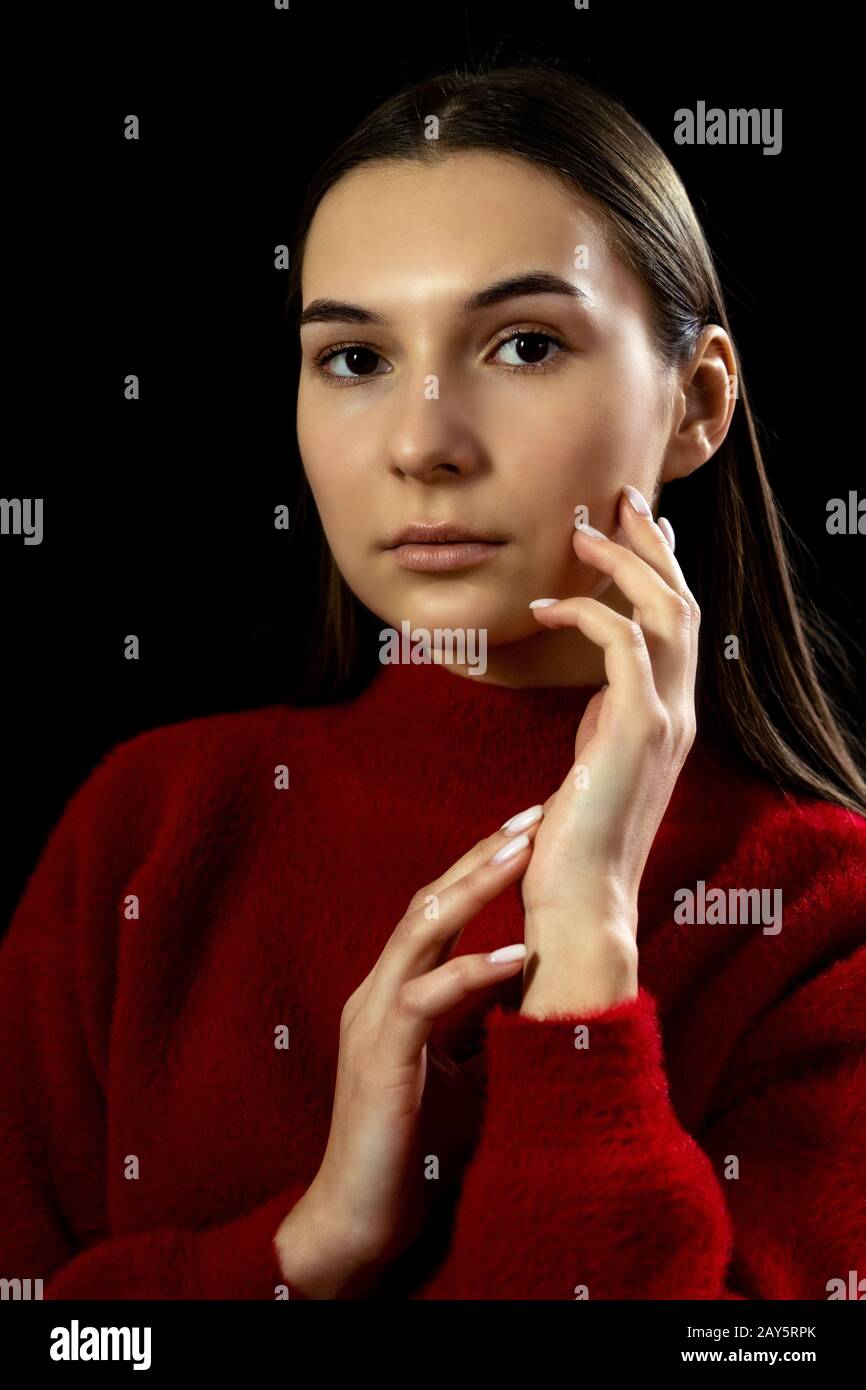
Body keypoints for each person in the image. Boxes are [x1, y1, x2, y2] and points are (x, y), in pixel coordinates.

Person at [2, 63, 864, 1302]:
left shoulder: (821, 920)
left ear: (697, 403)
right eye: (352, 357)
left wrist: (582, 962)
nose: (419, 444)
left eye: (522, 344)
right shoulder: (147, 829)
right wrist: (305, 1248)